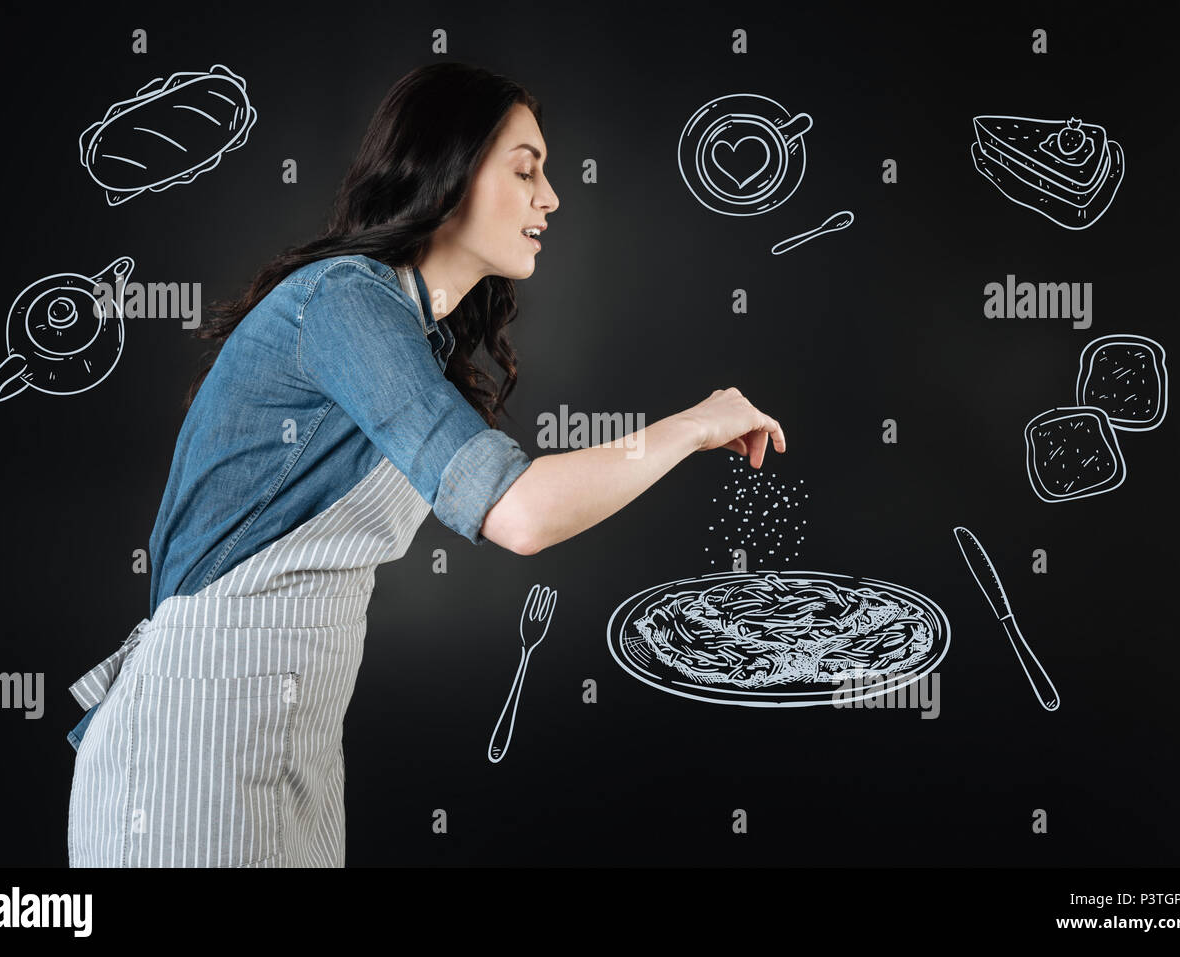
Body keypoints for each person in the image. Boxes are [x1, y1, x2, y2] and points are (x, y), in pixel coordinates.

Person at [65, 61, 786, 867]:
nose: (550, 197)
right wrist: (694, 423)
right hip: (191, 746)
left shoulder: (406, 336)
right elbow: (519, 512)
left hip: (285, 738)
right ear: (445, 174)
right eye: (525, 171)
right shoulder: (343, 301)